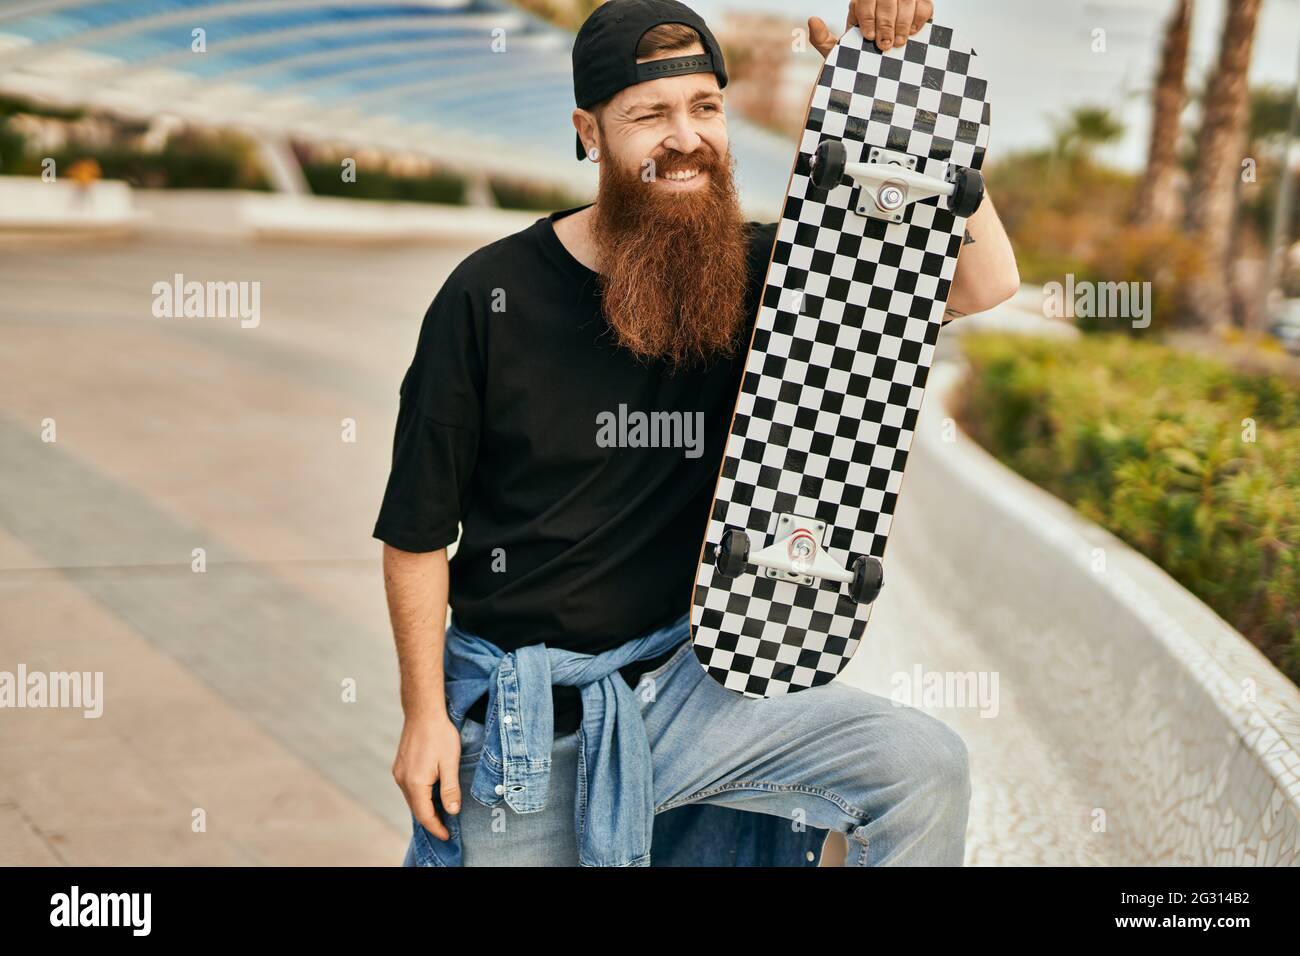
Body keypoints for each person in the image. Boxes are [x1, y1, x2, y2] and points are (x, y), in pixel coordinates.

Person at [375, 0, 1019, 867]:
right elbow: (416, 535)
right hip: (532, 712)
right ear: (589, 132)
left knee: (921, 765)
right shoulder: (486, 296)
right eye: (650, 115)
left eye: (705, 107)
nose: (687, 137)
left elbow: (982, 282)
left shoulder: (767, 274)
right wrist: (423, 715)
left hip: (694, 685)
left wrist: (903, 101)